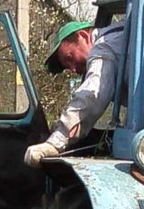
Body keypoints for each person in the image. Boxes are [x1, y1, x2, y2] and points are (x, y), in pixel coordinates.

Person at [23, 17, 127, 166]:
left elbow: (91, 96)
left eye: (70, 57)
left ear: (83, 37)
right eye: (68, 67)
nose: (73, 69)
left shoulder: (104, 48)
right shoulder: (123, 34)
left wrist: (56, 142)